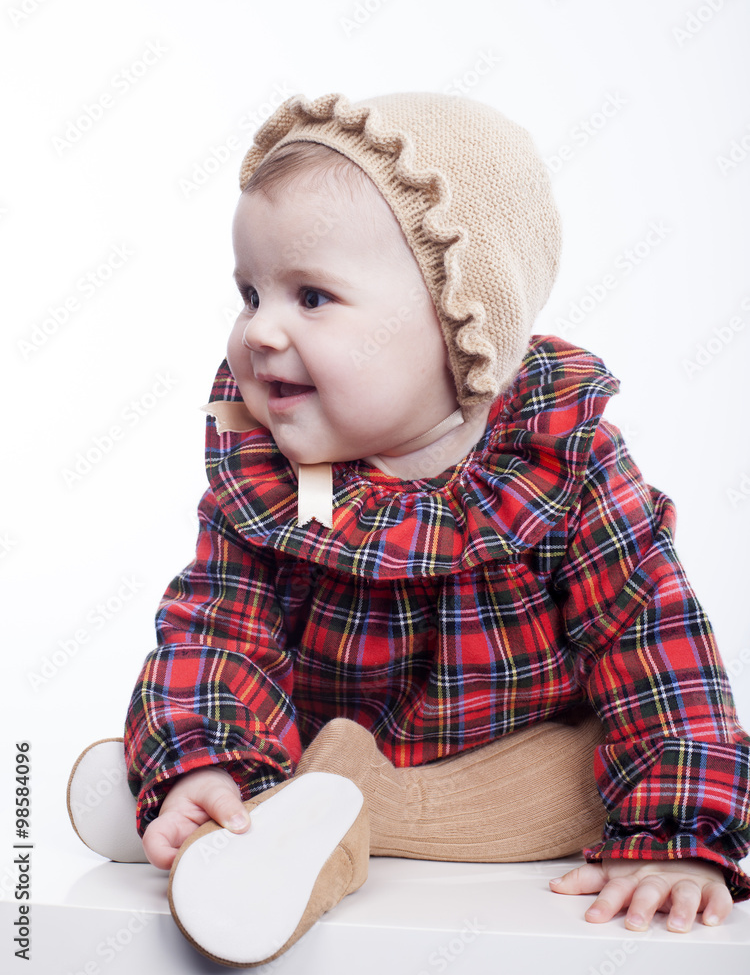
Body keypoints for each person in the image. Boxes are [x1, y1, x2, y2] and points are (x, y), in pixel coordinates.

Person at [67, 92, 750, 969]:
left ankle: (313, 821)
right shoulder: (287, 473)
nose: (260, 330)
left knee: (577, 771)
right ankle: (220, 799)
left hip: (508, 761)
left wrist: (679, 834)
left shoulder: (559, 461)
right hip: (313, 733)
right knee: (214, 721)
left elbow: (652, 640)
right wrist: (205, 752)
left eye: (311, 296)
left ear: (460, 325)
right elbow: (217, 627)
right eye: (250, 292)